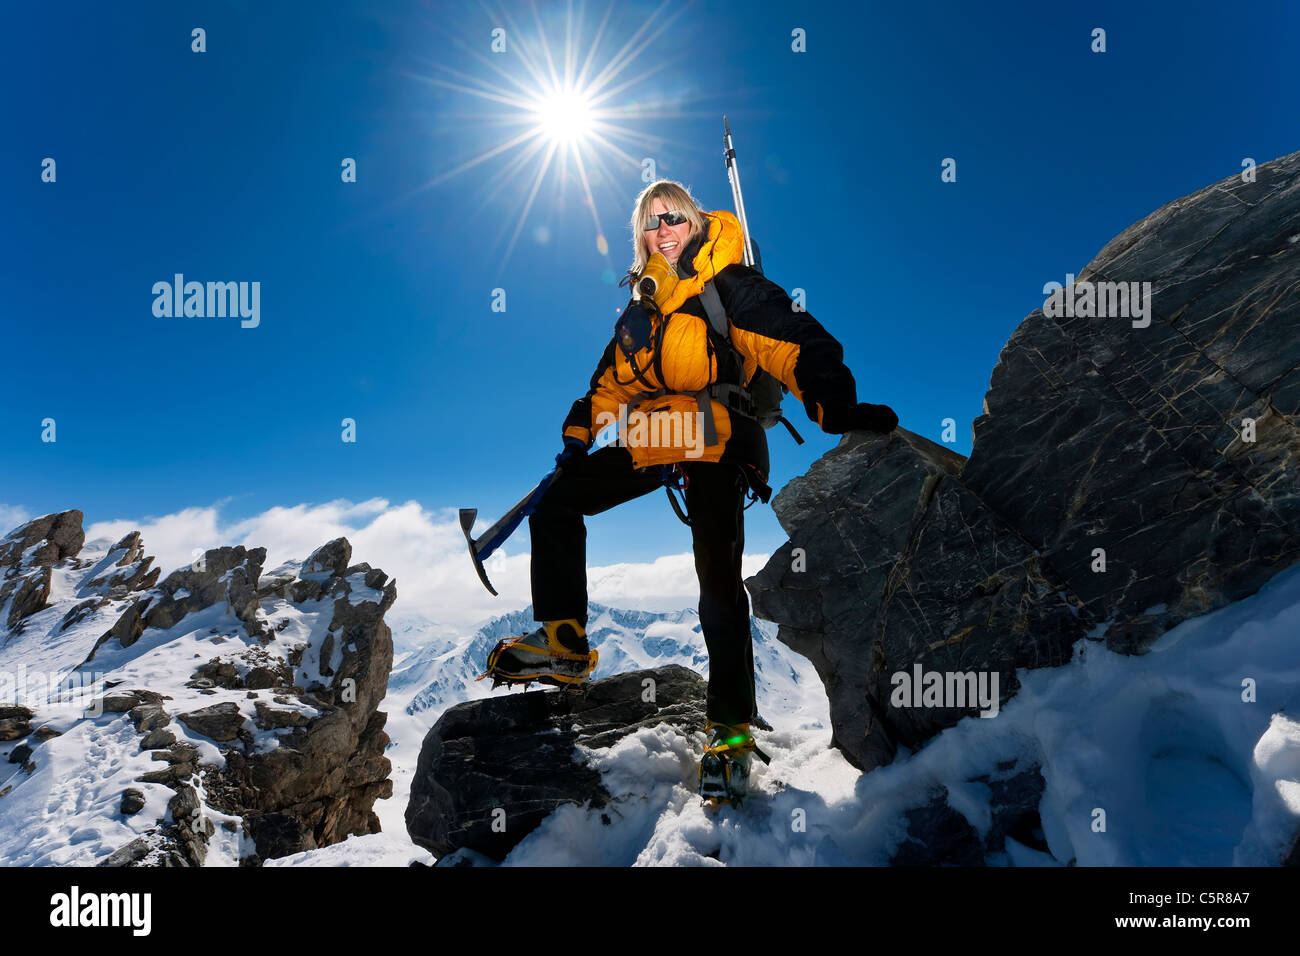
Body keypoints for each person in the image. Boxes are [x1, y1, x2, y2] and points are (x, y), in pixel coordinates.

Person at [481, 179, 898, 801]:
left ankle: (728, 730)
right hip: (663, 433)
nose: (662, 229)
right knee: (559, 500)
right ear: (641, 237)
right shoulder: (640, 311)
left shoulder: (728, 284)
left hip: (721, 435)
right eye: (650, 223)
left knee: (715, 578)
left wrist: (832, 403)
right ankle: (563, 642)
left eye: (673, 216)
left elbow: (791, 341)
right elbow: (608, 386)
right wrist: (578, 437)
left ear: (697, 221)